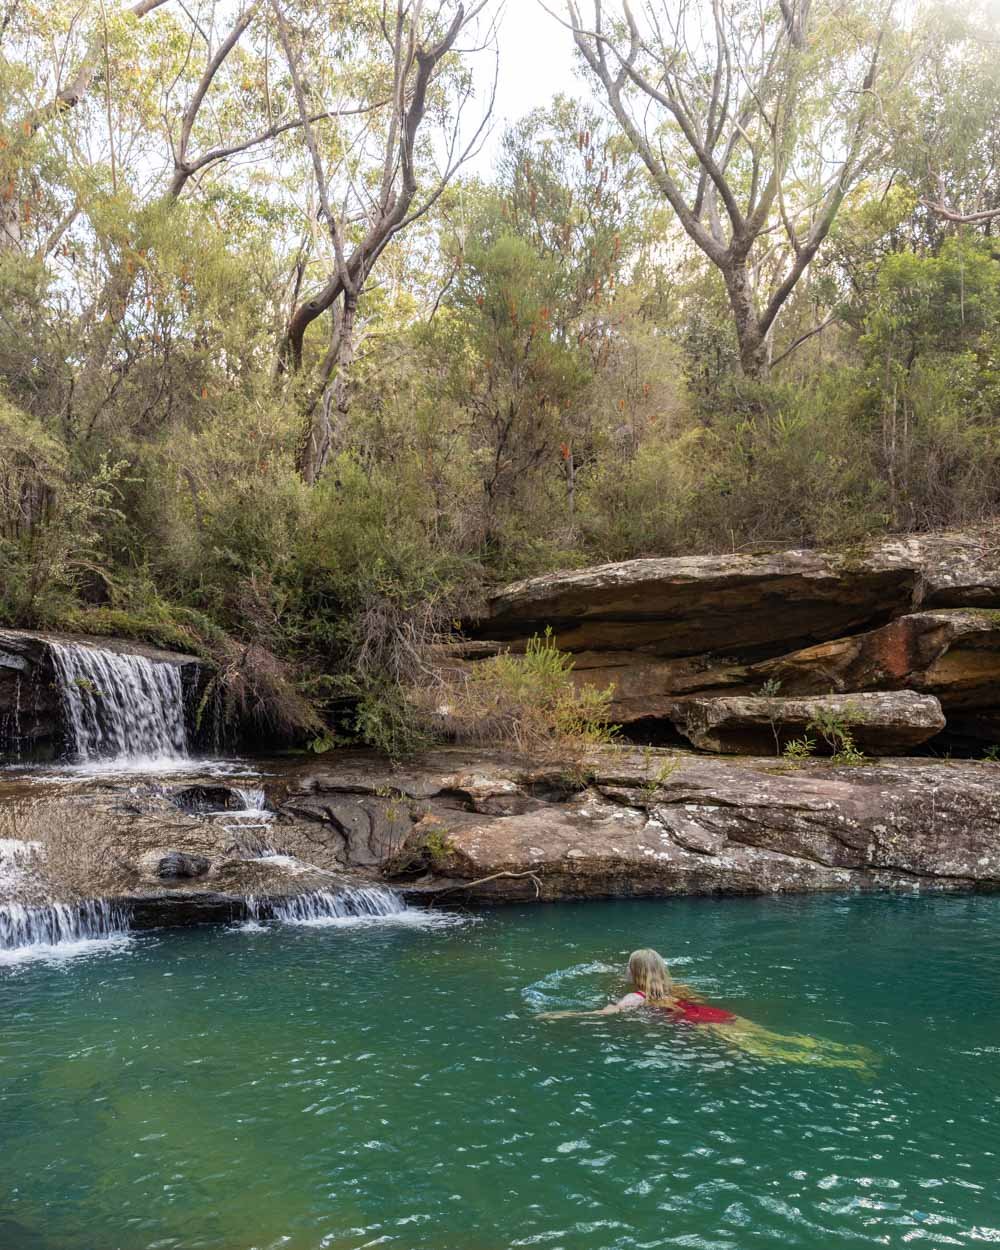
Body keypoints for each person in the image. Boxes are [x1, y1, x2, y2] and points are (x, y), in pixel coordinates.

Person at [539, 948, 875, 1071]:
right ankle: (847, 1052)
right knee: (772, 1038)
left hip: (702, 1027)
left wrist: (560, 1015)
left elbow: (604, 1015)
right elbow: (694, 1002)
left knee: (770, 1052)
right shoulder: (677, 988)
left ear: (635, 973)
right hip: (719, 1016)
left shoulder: (637, 998)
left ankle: (846, 1063)